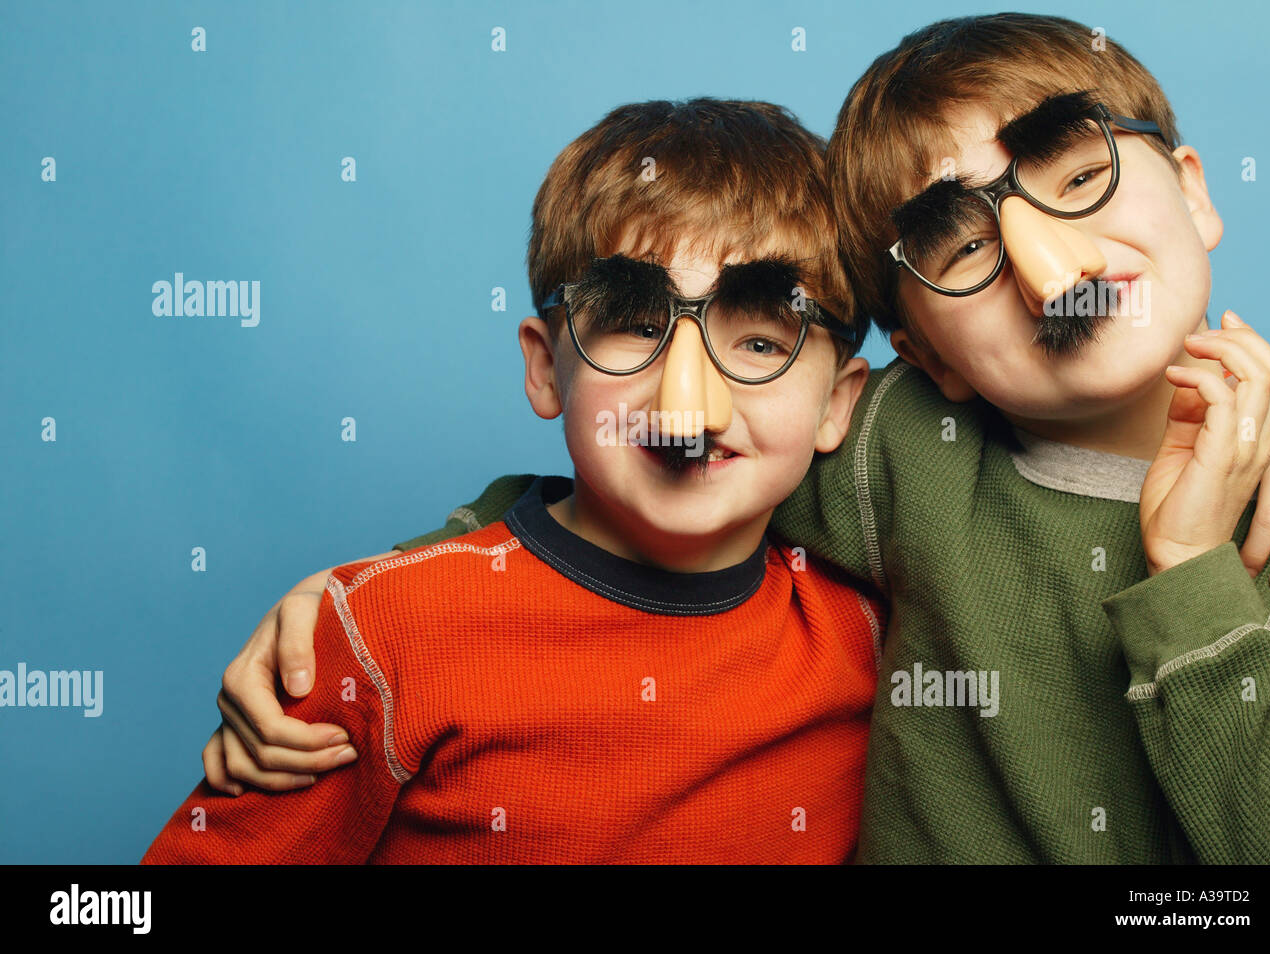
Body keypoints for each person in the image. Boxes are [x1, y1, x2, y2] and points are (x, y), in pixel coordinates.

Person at [206, 15, 1270, 864]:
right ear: (922, 355)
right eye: (954, 242)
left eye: (1076, 174)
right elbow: (655, 471)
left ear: (1195, 192)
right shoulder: (899, 456)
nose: (1040, 265)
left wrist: (1198, 574)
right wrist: (372, 602)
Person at [141, 98, 886, 864]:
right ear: (543, 368)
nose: (686, 407)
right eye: (635, 329)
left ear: (837, 404)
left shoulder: (871, 637)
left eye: (761, 343)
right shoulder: (388, 636)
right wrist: (353, 619)